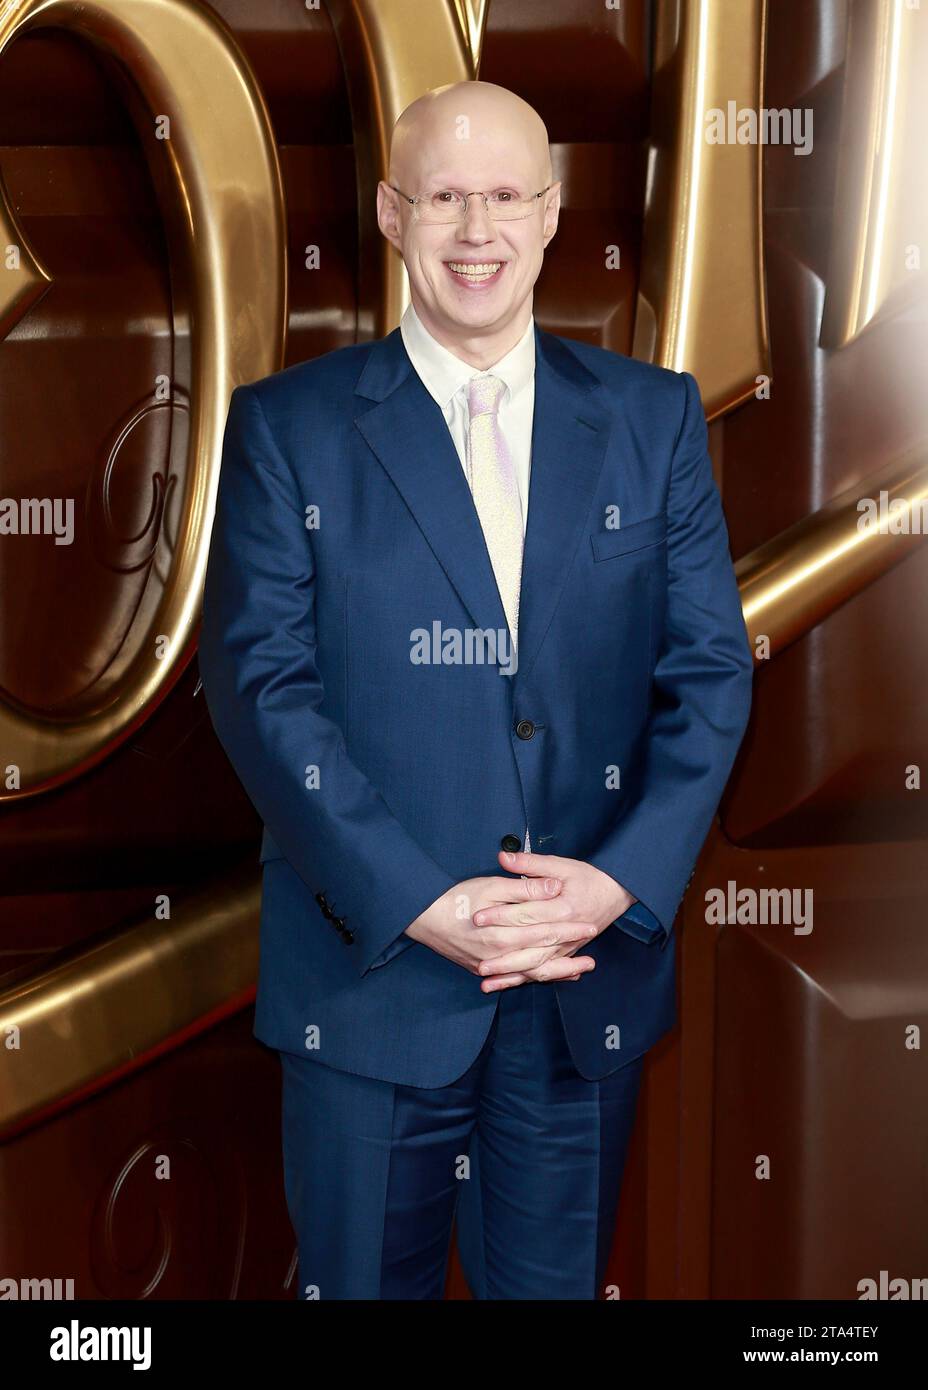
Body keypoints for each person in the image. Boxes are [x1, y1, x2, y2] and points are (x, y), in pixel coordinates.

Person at [198, 80, 753, 1300]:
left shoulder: (652, 419)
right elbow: (257, 687)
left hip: (573, 991)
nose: (476, 231)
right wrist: (418, 902)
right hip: (373, 987)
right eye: (444, 197)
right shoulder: (286, 430)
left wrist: (613, 884)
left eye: (504, 196)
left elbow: (710, 672)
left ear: (552, 215)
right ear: (392, 214)